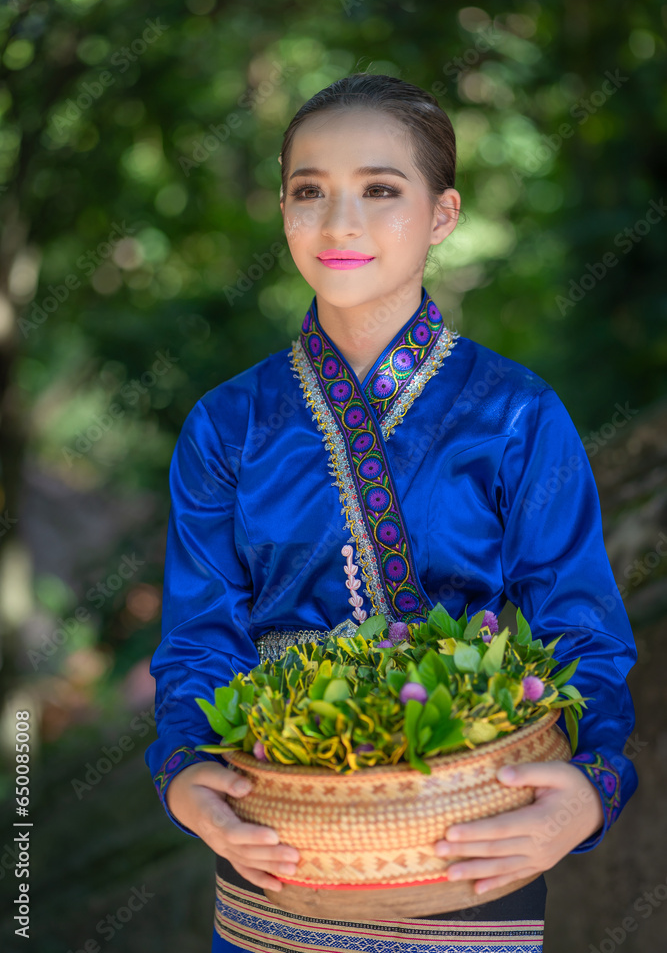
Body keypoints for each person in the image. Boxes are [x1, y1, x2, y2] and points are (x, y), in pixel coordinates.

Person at [144, 73, 638, 952]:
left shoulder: (515, 414)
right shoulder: (228, 425)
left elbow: (580, 631)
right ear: (283, 210)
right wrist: (184, 773)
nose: (339, 223)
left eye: (379, 189)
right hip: (279, 848)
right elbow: (199, 640)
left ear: (442, 214)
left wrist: (591, 789)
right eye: (309, 192)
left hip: (475, 844)